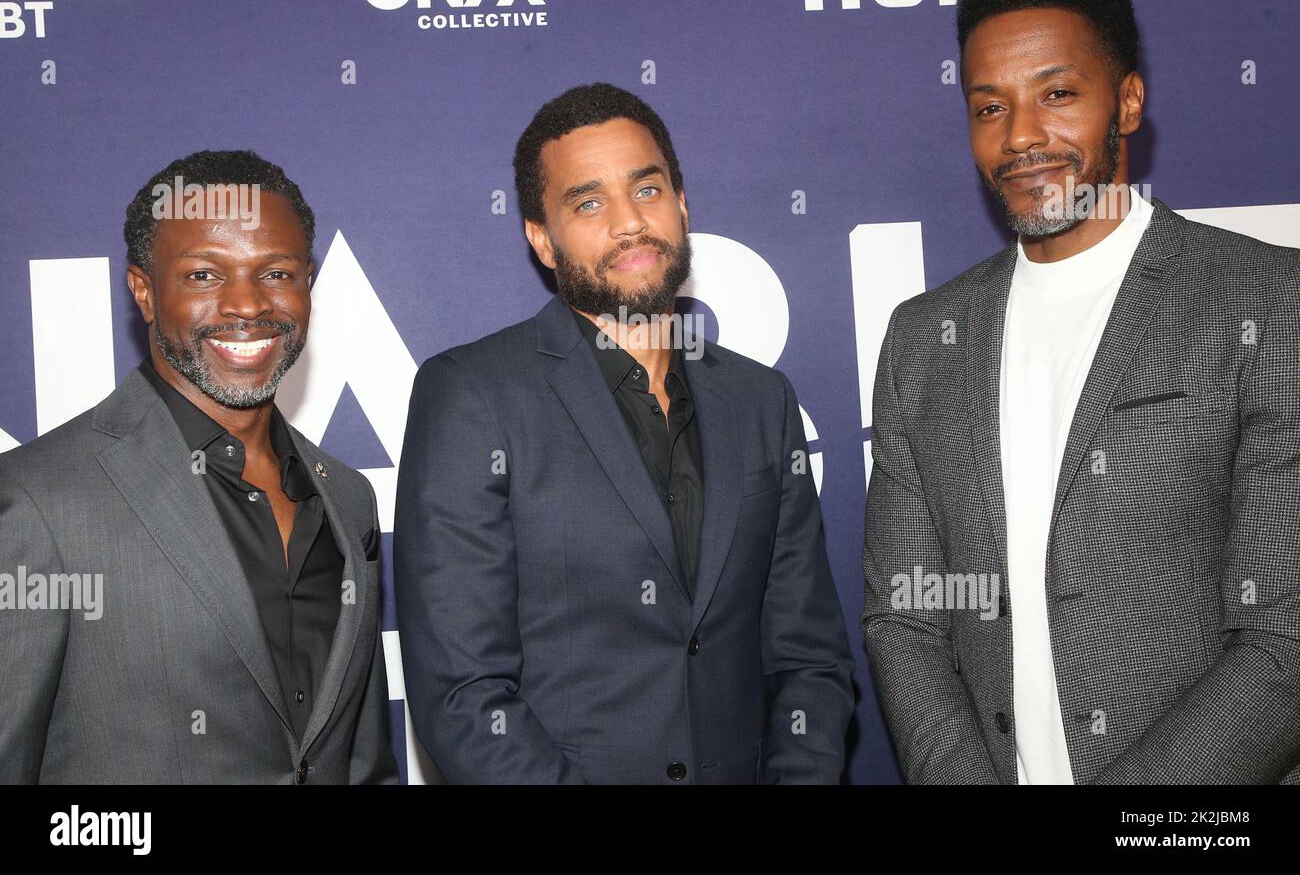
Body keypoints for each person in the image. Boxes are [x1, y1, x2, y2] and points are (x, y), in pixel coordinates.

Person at [863, 0, 1300, 785]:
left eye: (1057, 94)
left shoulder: (1266, 302)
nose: (1022, 136)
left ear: (1127, 101)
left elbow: (1284, 639)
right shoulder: (923, 341)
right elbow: (907, 616)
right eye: (989, 107)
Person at [394, 83, 854, 783]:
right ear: (541, 240)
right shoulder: (472, 395)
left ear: (682, 203)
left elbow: (810, 659)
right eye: (588, 203)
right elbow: (465, 696)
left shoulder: (762, 400)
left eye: (647, 190)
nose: (629, 222)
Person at [0, 150, 397, 783]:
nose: (246, 304)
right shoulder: (36, 498)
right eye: (205, 276)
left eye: (276, 272)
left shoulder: (347, 498)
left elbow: (361, 758)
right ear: (144, 293)